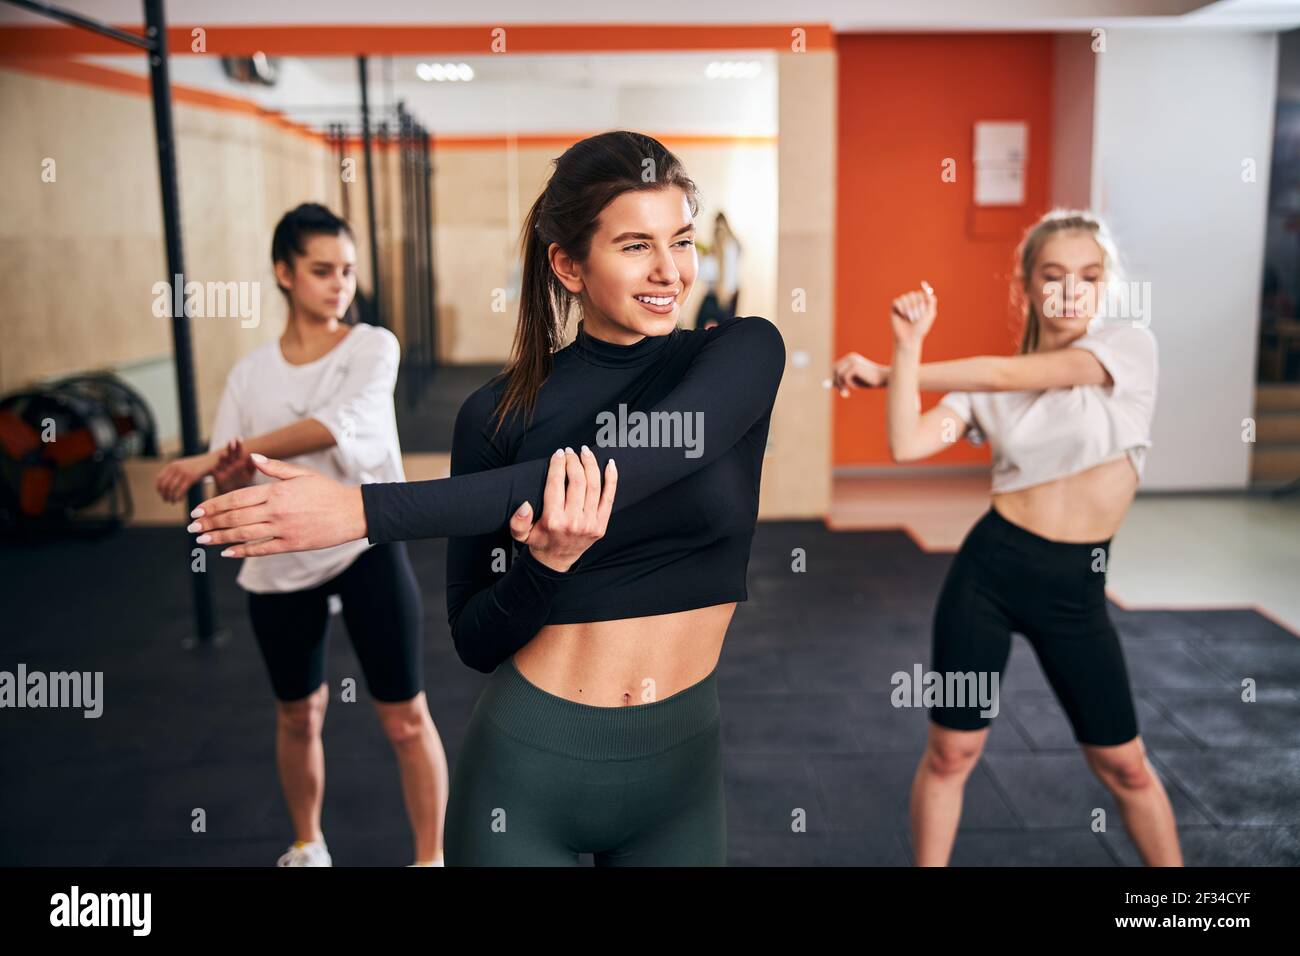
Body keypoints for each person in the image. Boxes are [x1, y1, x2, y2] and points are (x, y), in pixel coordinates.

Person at [183, 132, 787, 866]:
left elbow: (614, 470)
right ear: (568, 264)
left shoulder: (743, 355)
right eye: (635, 246)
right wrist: (545, 569)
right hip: (529, 773)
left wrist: (362, 511)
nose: (670, 271)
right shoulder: (499, 414)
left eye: (681, 240)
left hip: (683, 777)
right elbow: (475, 641)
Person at [831, 209, 1183, 867]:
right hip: (990, 576)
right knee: (952, 752)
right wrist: (906, 348)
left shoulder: (1127, 352)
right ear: (1026, 287)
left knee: (1125, 766)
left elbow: (1006, 375)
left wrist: (882, 371)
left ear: (1105, 285)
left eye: (1088, 275)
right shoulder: (987, 388)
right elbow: (907, 443)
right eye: (1053, 276)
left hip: (1076, 594)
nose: (1071, 290)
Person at [156, 203, 448, 867]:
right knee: (299, 714)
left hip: (364, 545)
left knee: (404, 717)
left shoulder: (374, 345)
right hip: (281, 562)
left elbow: (333, 424)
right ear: (284, 273)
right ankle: (307, 843)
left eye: (346, 271)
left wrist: (206, 456)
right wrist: (224, 475)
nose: (339, 284)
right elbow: (234, 494)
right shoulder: (249, 375)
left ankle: (430, 859)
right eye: (321, 271)